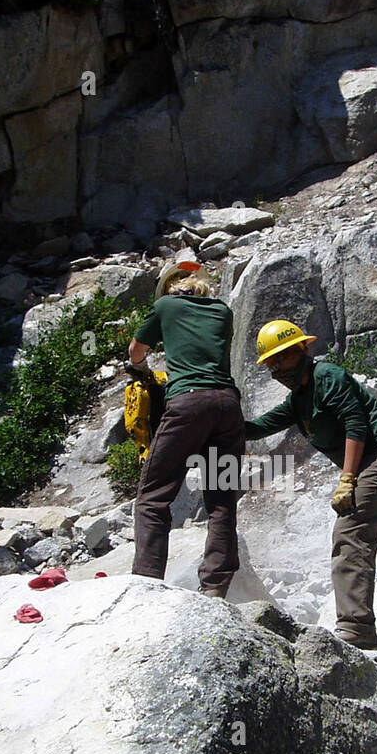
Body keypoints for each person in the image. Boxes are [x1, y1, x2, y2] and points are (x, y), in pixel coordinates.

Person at [244, 320, 377, 650]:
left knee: (350, 532)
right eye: (272, 364)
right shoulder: (299, 400)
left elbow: (356, 424)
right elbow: (258, 427)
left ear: (301, 351)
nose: (278, 369)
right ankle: (360, 626)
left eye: (284, 359)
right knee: (354, 533)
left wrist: (348, 479)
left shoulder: (328, 377)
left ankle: (357, 629)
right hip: (375, 464)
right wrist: (217, 424)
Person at [128, 251, 245, 597]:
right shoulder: (223, 311)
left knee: (153, 498)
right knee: (222, 501)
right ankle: (214, 588)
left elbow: (136, 350)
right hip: (227, 405)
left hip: (187, 404)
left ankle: (146, 582)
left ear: (170, 287)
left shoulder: (166, 307)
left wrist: (143, 370)